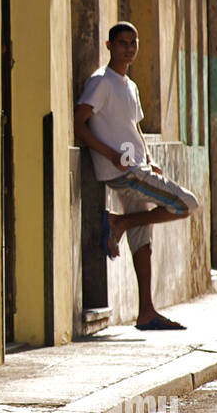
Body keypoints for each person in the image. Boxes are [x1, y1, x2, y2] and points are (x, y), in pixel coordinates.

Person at [74, 21, 200, 330]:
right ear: (109, 46)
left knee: (143, 241)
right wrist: (111, 155)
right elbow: (78, 124)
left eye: (133, 43)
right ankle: (119, 222)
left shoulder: (130, 85)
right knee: (186, 204)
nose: (128, 48)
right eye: (122, 43)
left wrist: (151, 159)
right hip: (125, 171)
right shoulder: (101, 81)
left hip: (137, 167)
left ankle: (146, 312)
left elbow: (136, 129)